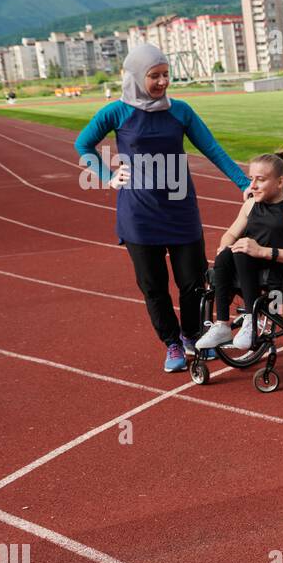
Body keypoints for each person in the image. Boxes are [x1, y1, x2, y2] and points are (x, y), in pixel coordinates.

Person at [74, 43, 250, 372]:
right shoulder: (116, 112)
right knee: (153, 286)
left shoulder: (180, 111)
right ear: (137, 77)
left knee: (193, 282)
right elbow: (83, 143)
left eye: (166, 74)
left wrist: (243, 184)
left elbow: (212, 148)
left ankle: (192, 334)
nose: (162, 81)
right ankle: (171, 344)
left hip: (180, 209)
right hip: (139, 214)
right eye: (154, 76)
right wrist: (106, 176)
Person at [196, 151, 283, 351]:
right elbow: (229, 235)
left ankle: (252, 320)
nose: (252, 186)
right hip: (249, 265)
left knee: (243, 250)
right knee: (232, 250)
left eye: (260, 180)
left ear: (280, 182)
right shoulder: (251, 204)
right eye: (251, 179)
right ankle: (222, 324)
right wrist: (224, 246)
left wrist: (263, 251)